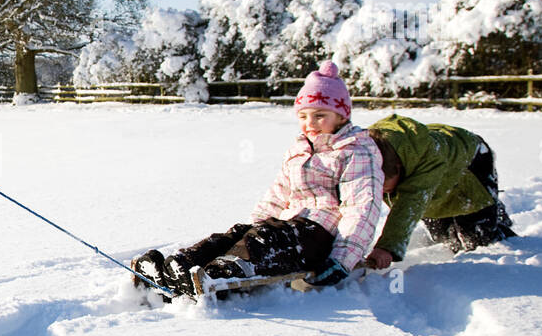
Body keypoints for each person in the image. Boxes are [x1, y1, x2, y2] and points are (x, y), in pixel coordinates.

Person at [132, 61, 385, 299]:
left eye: (320, 115)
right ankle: (181, 265)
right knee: (240, 234)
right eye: (303, 116)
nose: (310, 124)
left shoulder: (356, 150)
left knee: (266, 239)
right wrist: (253, 226)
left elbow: (362, 207)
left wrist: (342, 259)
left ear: (342, 115)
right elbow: (279, 192)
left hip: (321, 235)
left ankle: (219, 273)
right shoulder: (300, 148)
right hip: (289, 226)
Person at [363, 115, 515, 269]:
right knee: (442, 236)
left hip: (471, 161)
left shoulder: (427, 161)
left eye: (383, 186)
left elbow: (410, 204)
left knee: (477, 238)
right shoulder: (364, 157)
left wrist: (387, 247)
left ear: (398, 168)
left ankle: (495, 215)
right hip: (434, 179)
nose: (379, 191)